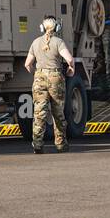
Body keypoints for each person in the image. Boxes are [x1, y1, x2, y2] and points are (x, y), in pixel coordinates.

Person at [23, 15, 76, 154]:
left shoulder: (35, 42)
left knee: (39, 113)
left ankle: (37, 144)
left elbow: (27, 64)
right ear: (57, 27)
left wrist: (37, 73)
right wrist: (71, 70)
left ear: (42, 27)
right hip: (55, 78)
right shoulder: (59, 42)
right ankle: (60, 144)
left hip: (39, 78)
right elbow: (70, 59)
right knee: (58, 113)